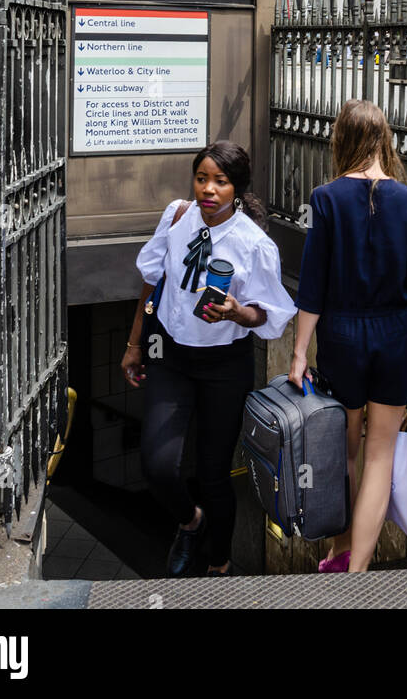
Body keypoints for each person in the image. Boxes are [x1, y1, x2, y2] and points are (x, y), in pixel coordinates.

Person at [123, 142, 295, 578]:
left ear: (236, 189)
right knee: (158, 465)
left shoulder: (254, 245)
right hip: (171, 356)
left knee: (215, 473)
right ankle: (190, 522)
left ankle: (219, 563)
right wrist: (135, 342)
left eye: (220, 181)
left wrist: (240, 311)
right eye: (202, 178)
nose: (209, 189)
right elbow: (152, 281)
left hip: (224, 365)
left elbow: (269, 315)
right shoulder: (177, 216)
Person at [288, 98, 407, 574]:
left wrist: (298, 353)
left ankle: (337, 551)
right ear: (385, 140)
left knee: (346, 452)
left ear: (343, 140)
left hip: (343, 338)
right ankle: (356, 574)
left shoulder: (326, 198)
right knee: (381, 456)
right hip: (396, 337)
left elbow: (312, 287)